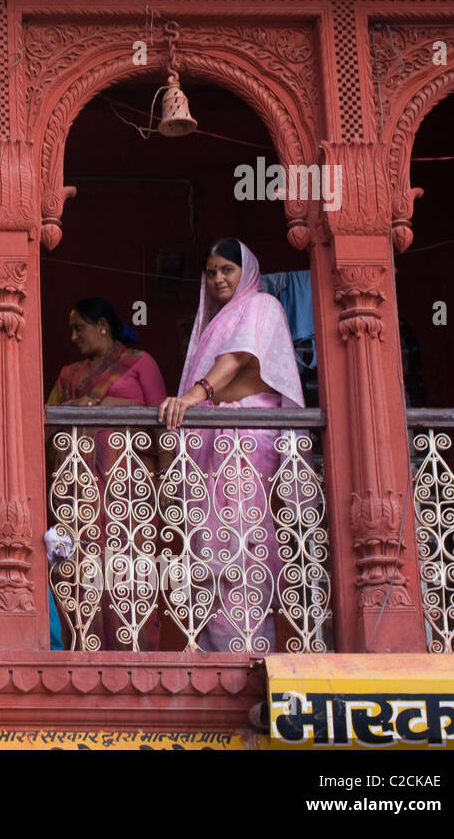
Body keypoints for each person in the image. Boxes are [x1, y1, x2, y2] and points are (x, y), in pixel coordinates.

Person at [156, 238, 304, 654]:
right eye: (211, 271)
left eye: (227, 270)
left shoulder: (260, 306)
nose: (218, 278)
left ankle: (248, 660)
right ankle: (221, 653)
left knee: (240, 550)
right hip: (215, 446)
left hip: (243, 441)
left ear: (247, 273)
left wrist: (192, 397)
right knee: (209, 550)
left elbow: (238, 359)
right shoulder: (219, 320)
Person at [46, 297, 168, 651]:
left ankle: (137, 655)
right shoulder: (68, 374)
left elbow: (162, 420)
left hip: (128, 486)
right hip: (78, 489)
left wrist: (167, 477)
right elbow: (45, 422)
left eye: (78, 328)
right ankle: (85, 651)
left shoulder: (140, 362)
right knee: (82, 568)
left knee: (129, 567)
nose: (73, 337)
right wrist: (75, 407)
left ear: (102, 325)